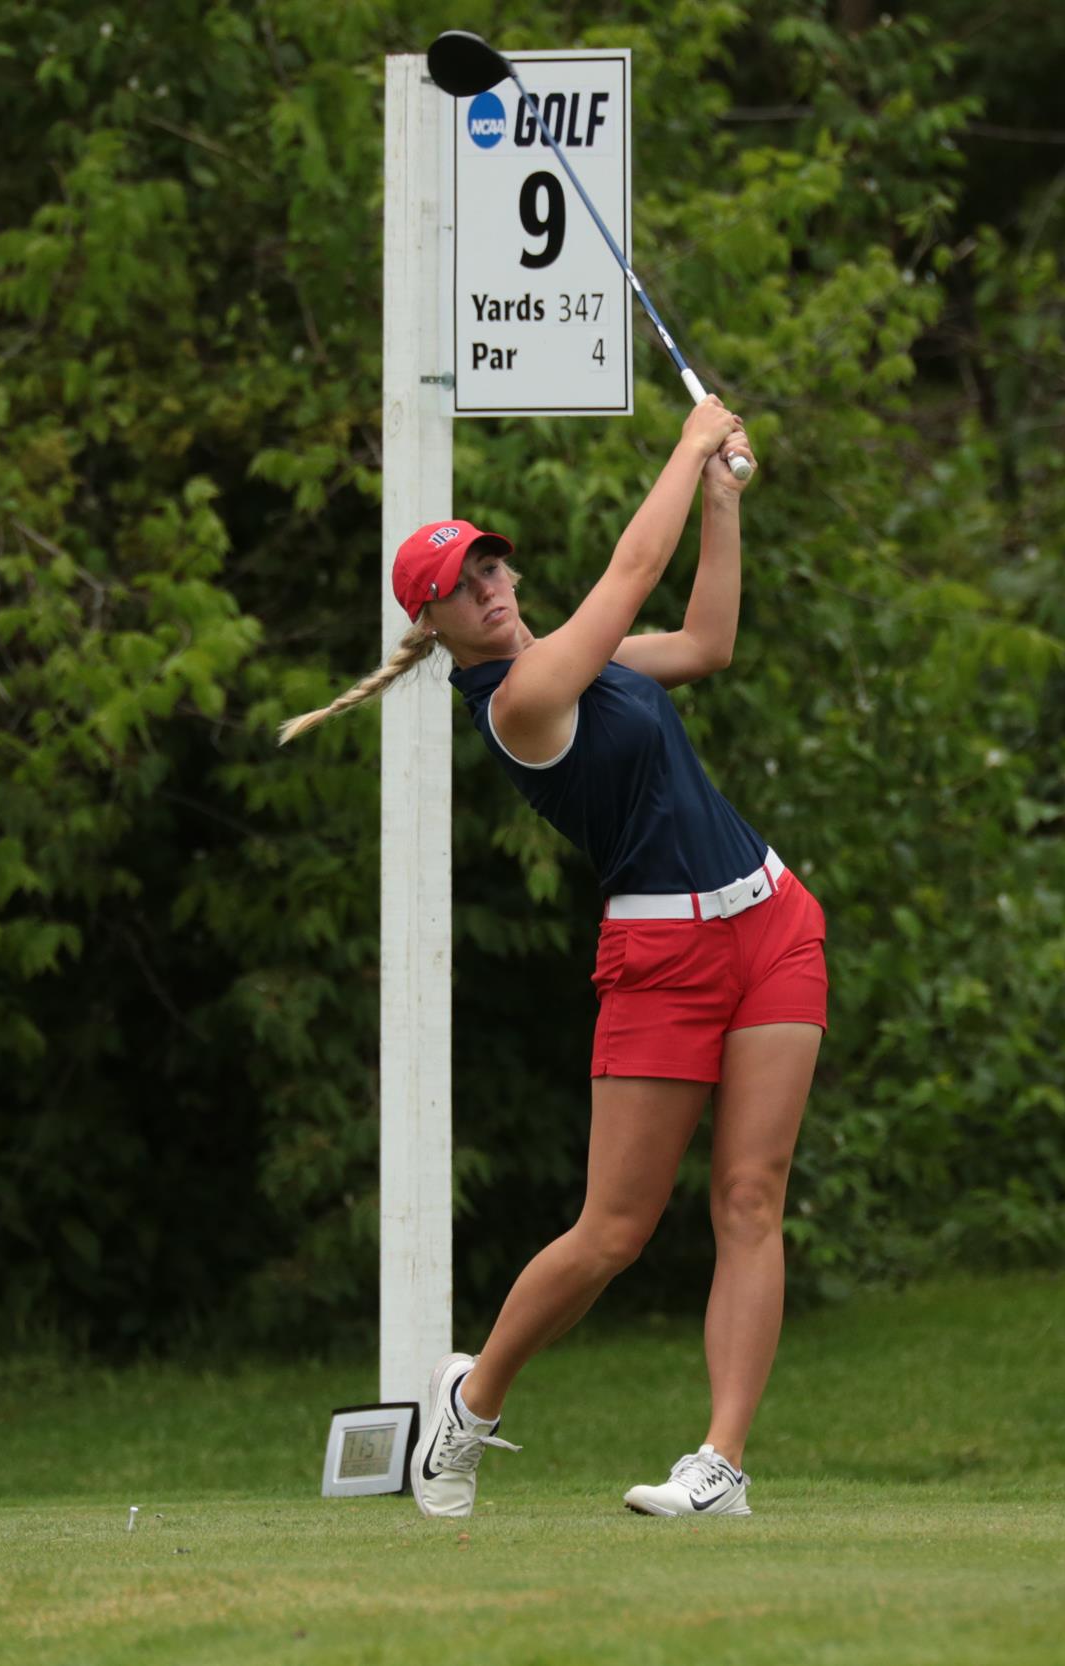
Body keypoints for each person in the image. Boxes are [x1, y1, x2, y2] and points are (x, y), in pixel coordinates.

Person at [278, 398, 826, 1520]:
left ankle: (720, 1464)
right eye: (463, 587)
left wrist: (720, 500)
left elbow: (707, 643)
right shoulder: (521, 700)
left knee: (751, 1196)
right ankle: (469, 1407)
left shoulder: (587, 661)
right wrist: (684, 444)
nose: (490, 587)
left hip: (771, 919)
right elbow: (629, 569)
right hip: (661, 955)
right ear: (434, 629)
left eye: (491, 565)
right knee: (613, 1232)